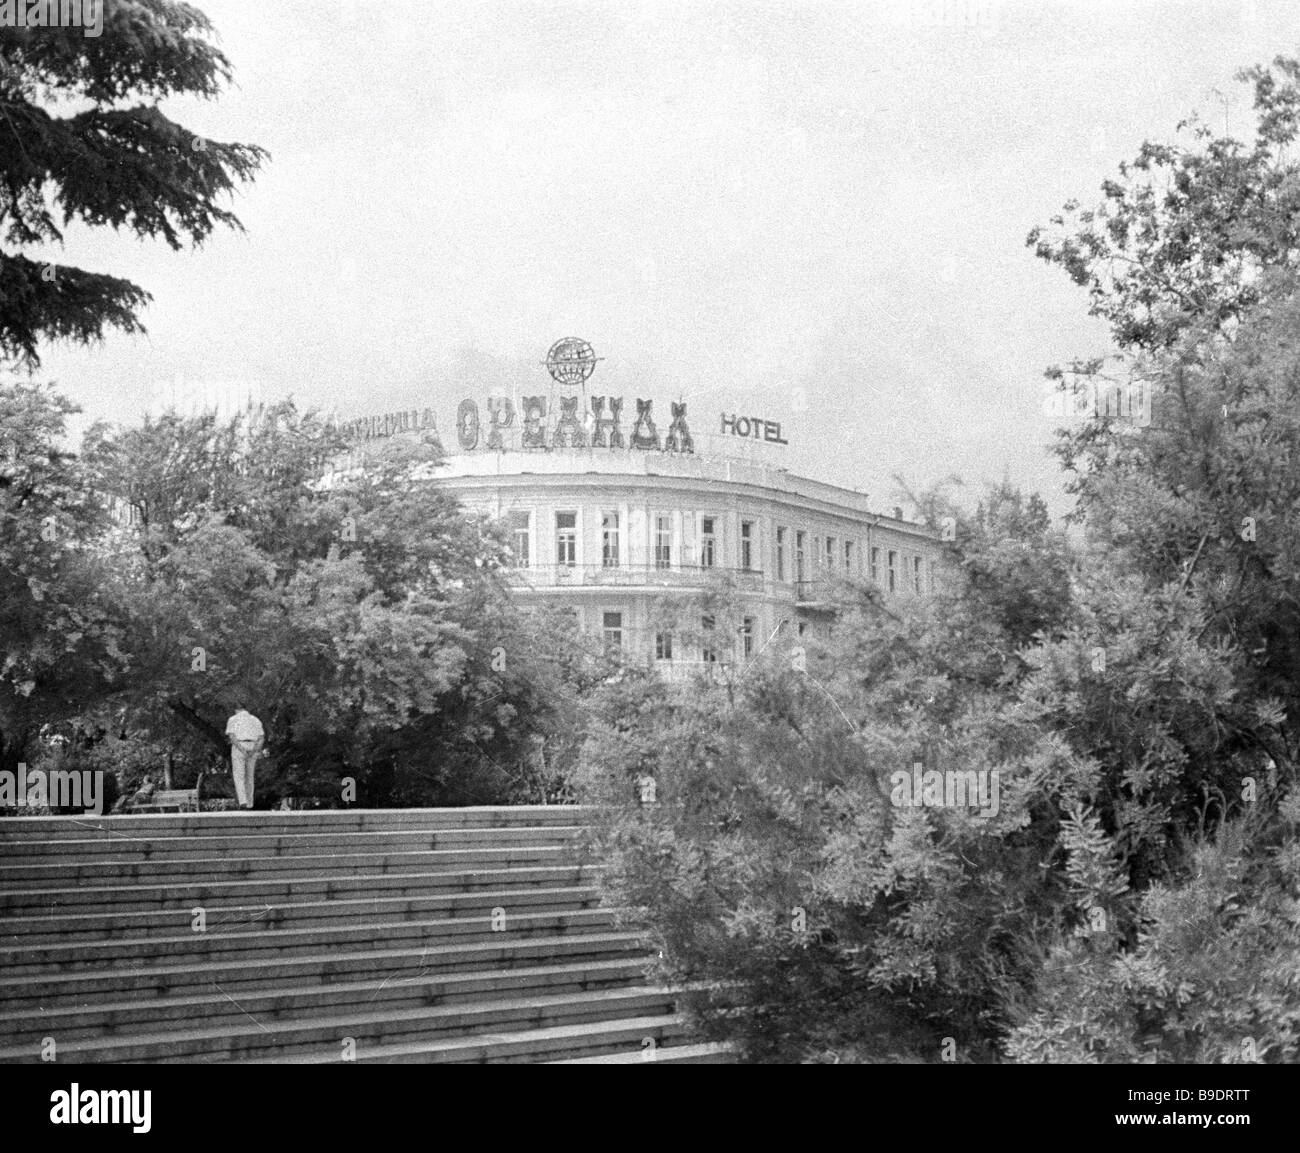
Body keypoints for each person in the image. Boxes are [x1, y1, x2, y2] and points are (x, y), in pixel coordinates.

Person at [225, 704, 266, 810]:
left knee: (239, 775)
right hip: (253, 745)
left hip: (240, 745)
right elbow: (261, 738)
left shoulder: (233, 719)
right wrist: (254, 750)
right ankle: (250, 803)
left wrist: (241, 749)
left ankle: (242, 801)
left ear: (236, 709)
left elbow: (232, 737)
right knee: (249, 776)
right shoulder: (256, 720)